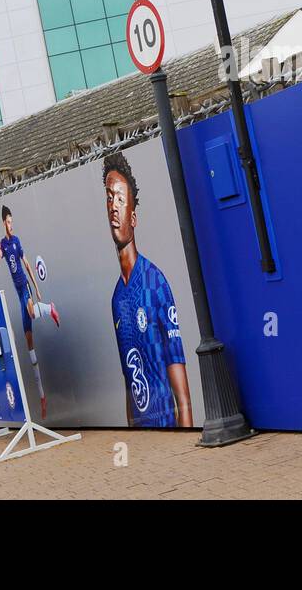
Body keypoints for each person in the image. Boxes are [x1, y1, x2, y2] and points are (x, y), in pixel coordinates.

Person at [102, 152, 192, 428]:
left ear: (134, 216)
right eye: (109, 197)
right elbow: (128, 380)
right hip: (142, 437)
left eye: (120, 199)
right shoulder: (117, 297)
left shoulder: (155, 283)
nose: (114, 207)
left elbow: (183, 397)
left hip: (167, 430)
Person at [0, 204, 59, 419]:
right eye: (9, 222)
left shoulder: (16, 241)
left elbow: (26, 264)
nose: (11, 225)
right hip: (17, 292)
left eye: (13, 221)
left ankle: (50, 308)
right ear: (3, 223)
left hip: (24, 287)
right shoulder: (3, 244)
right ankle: (42, 397)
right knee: (29, 345)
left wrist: (37, 287)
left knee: (32, 312)